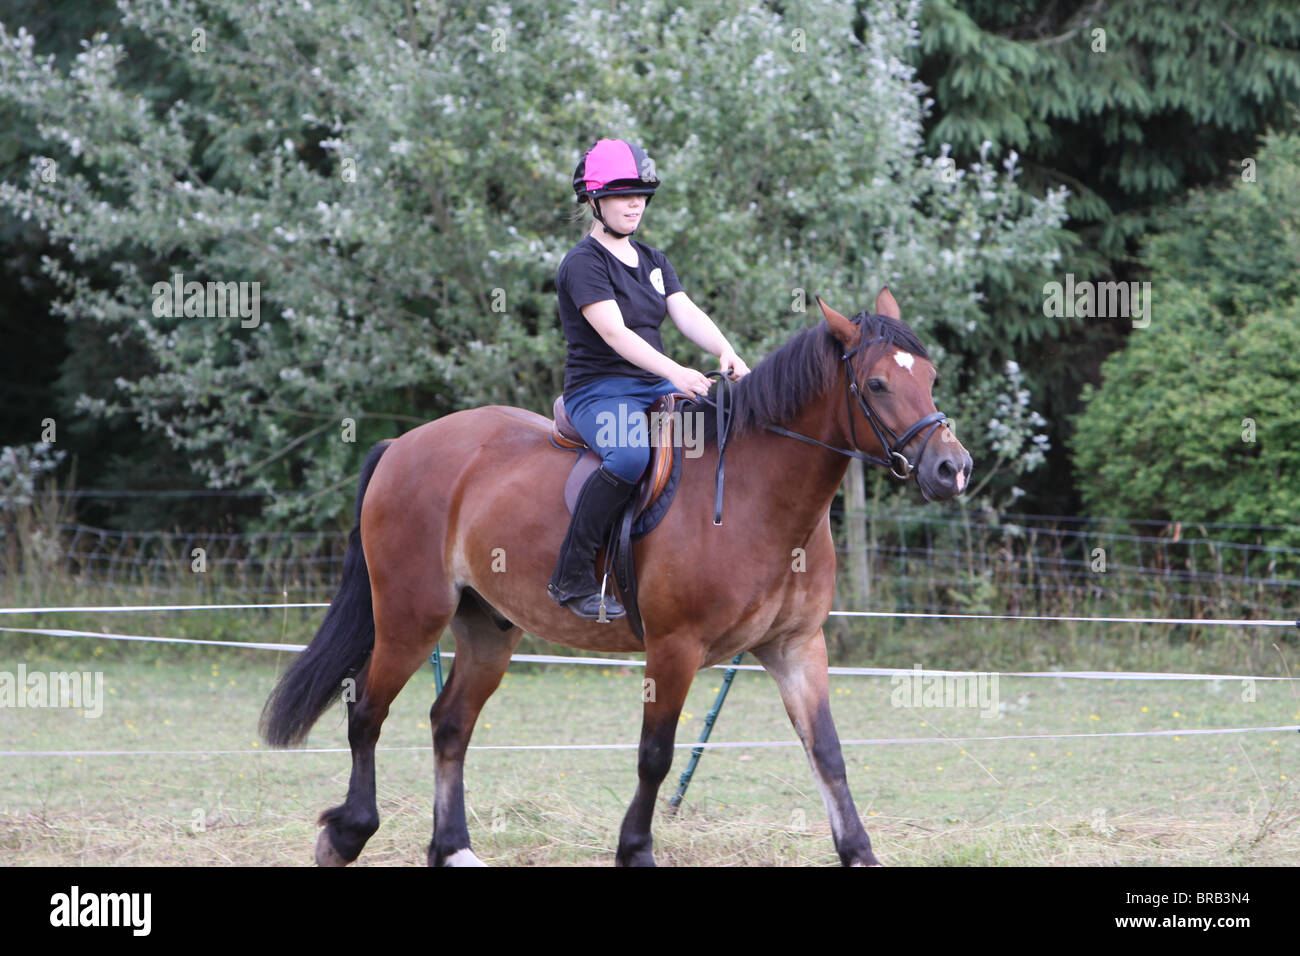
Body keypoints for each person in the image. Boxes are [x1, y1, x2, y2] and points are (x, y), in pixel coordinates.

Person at [548, 138, 750, 621]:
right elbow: (616, 334)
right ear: (594, 201)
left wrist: (725, 349)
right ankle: (571, 576)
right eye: (622, 194)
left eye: (641, 194)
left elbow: (686, 313)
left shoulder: (654, 261)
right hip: (599, 391)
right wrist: (678, 372)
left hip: (655, 386)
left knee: (721, 431)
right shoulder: (583, 264)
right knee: (632, 452)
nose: (635, 202)